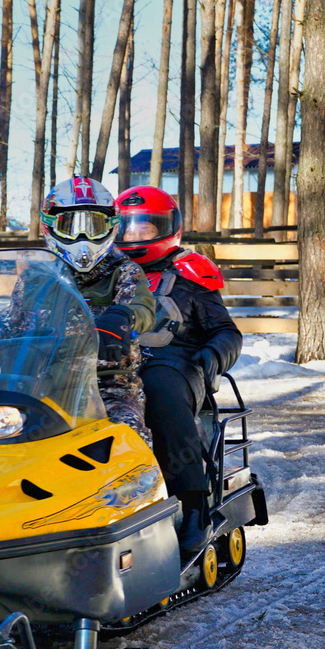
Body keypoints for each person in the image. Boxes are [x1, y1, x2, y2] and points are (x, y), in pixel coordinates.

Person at [0, 177, 155, 443]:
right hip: (35, 386)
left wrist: (121, 318)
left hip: (107, 386)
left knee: (127, 438)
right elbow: (11, 324)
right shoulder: (36, 278)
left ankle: (138, 484)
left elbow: (141, 307)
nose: (82, 237)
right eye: (70, 226)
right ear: (50, 227)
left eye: (93, 226)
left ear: (110, 226)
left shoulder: (123, 271)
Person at [115, 184, 243, 561]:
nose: (135, 236)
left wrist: (209, 359)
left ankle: (192, 502)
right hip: (111, 364)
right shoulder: (108, 273)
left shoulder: (189, 272)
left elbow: (226, 332)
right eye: (128, 228)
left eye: (146, 228)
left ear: (167, 228)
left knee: (158, 389)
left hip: (174, 362)